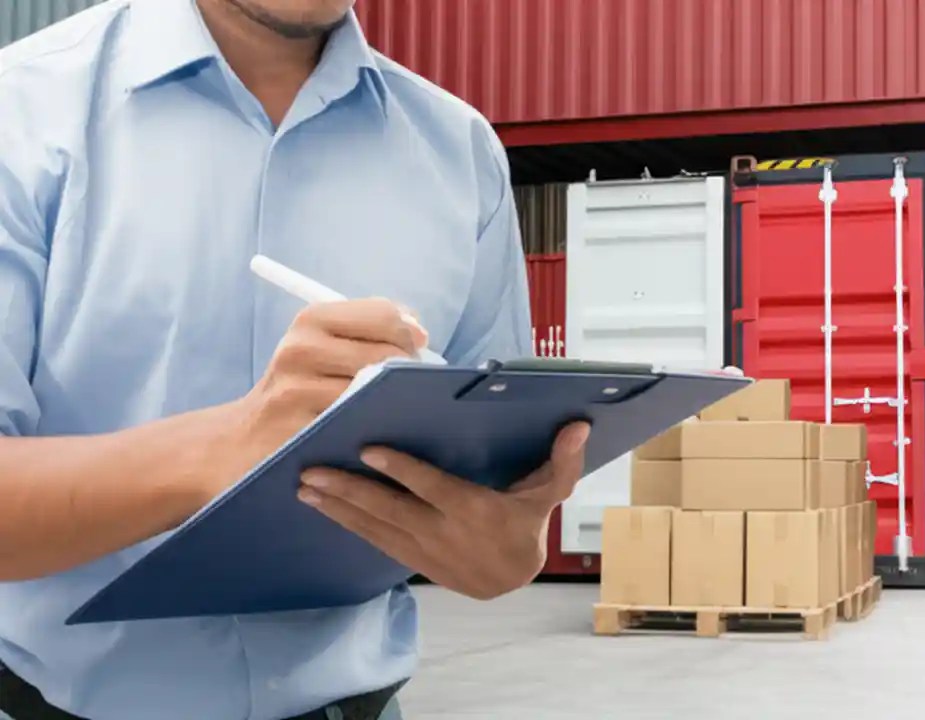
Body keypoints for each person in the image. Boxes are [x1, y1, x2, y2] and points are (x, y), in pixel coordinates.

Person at [0, 0, 591, 718]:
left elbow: (500, 528)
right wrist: (232, 442)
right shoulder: (21, 112)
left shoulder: (459, 151)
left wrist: (504, 551)